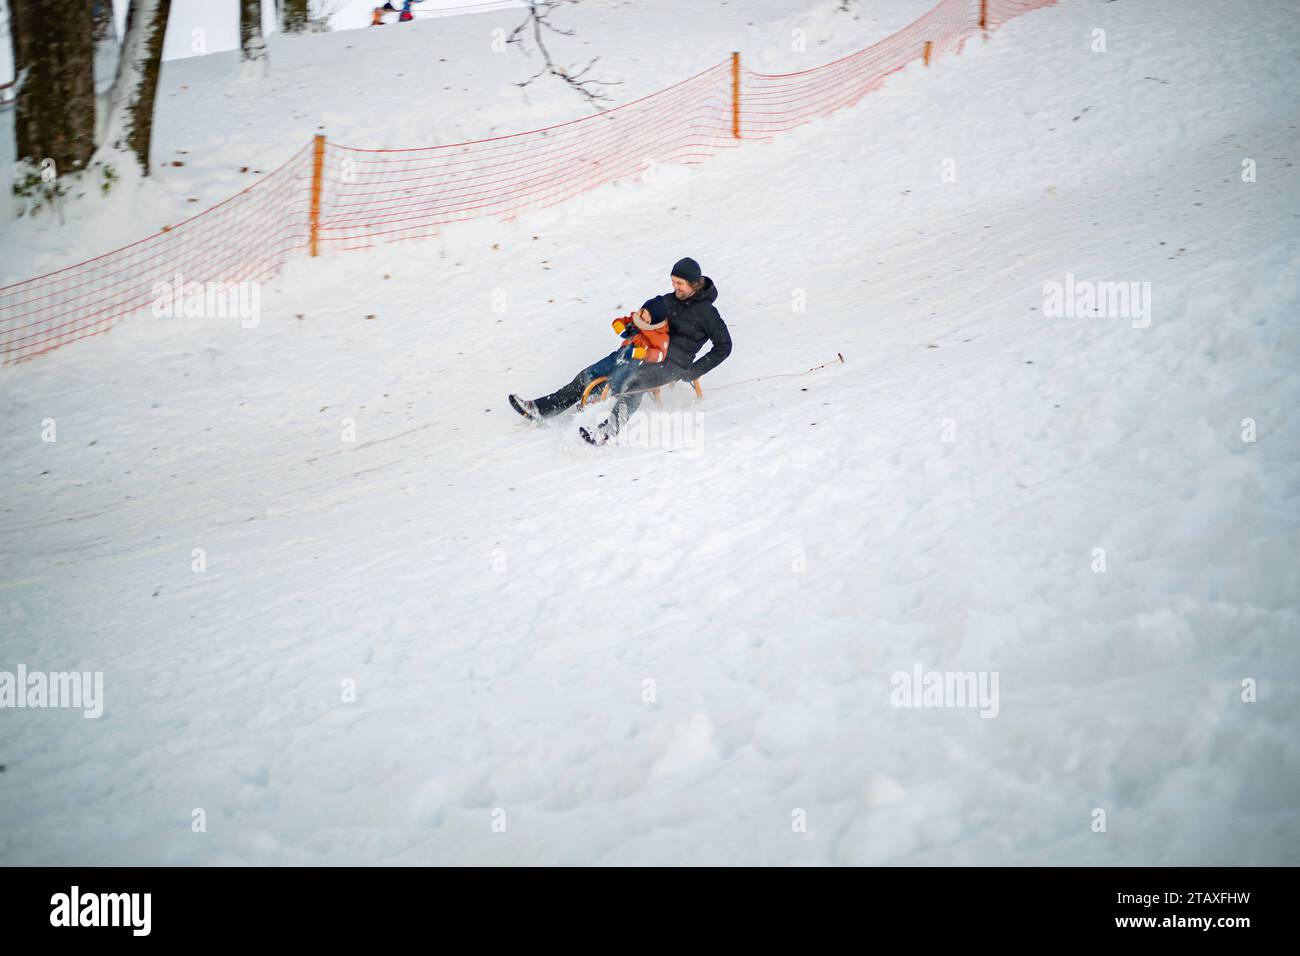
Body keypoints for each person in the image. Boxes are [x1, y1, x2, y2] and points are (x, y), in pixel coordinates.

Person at [510, 257, 731, 443]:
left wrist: (693, 371)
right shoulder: (668, 301)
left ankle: (607, 431)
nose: (675, 287)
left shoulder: (708, 314)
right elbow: (646, 318)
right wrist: (630, 326)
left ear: (694, 284)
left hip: (672, 364)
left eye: (680, 284)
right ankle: (540, 409)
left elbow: (724, 346)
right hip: (640, 350)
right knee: (591, 373)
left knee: (634, 385)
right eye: (673, 282)